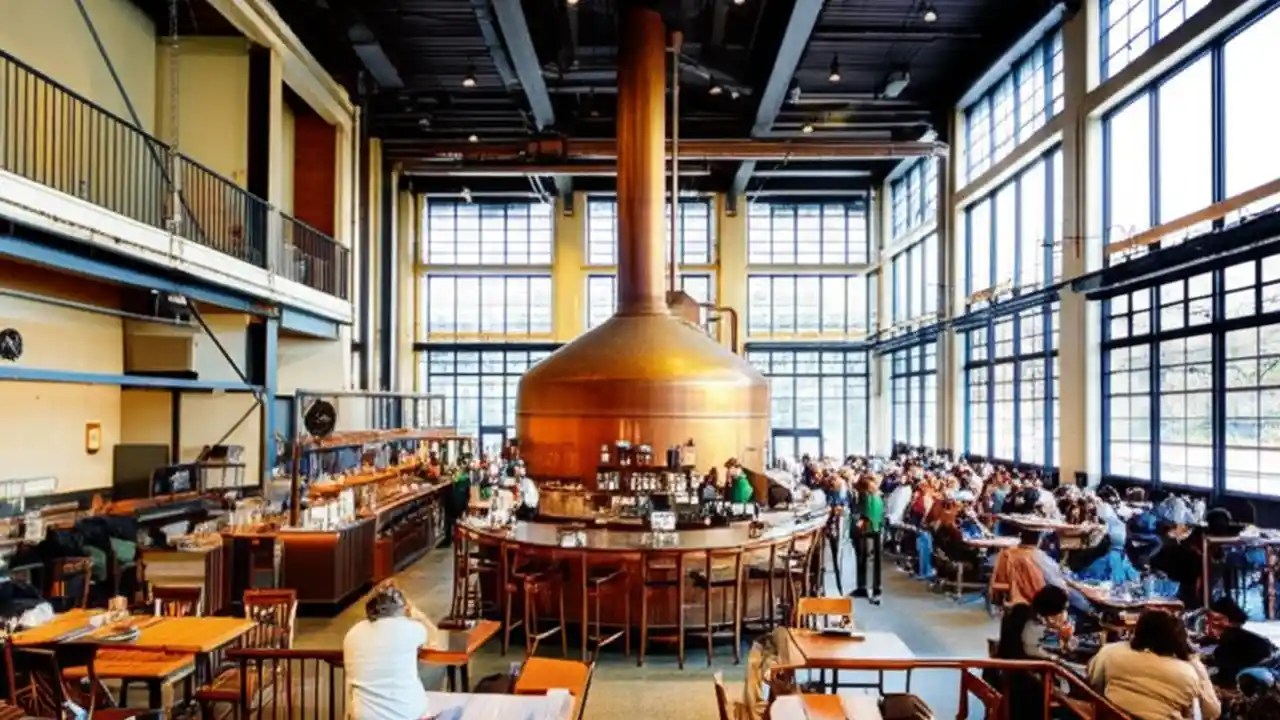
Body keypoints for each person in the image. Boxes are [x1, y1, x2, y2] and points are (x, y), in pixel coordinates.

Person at [1087, 610, 1220, 720]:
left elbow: (1093, 683)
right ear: (1178, 639)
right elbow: (1212, 712)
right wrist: (1194, 660)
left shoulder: (1111, 652)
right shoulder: (1189, 671)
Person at [343, 583, 436, 720]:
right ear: (402, 609)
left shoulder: (353, 633)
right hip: (409, 715)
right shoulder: (411, 628)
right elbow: (433, 635)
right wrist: (413, 611)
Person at [992, 586, 1073, 720]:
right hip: (1024, 681)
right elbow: (1037, 650)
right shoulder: (1033, 624)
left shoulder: (1022, 612)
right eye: (1062, 609)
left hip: (1008, 672)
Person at [1204, 596, 1276, 689]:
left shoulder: (1229, 643)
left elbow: (1226, 677)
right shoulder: (1255, 639)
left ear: (1227, 621)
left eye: (1215, 620)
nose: (1210, 626)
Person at [851, 474, 885, 605]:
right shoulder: (878, 496)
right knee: (876, 561)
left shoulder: (864, 496)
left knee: (862, 559)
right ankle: (877, 587)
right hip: (877, 529)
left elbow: (862, 515)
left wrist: (856, 527)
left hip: (865, 530)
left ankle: (862, 587)